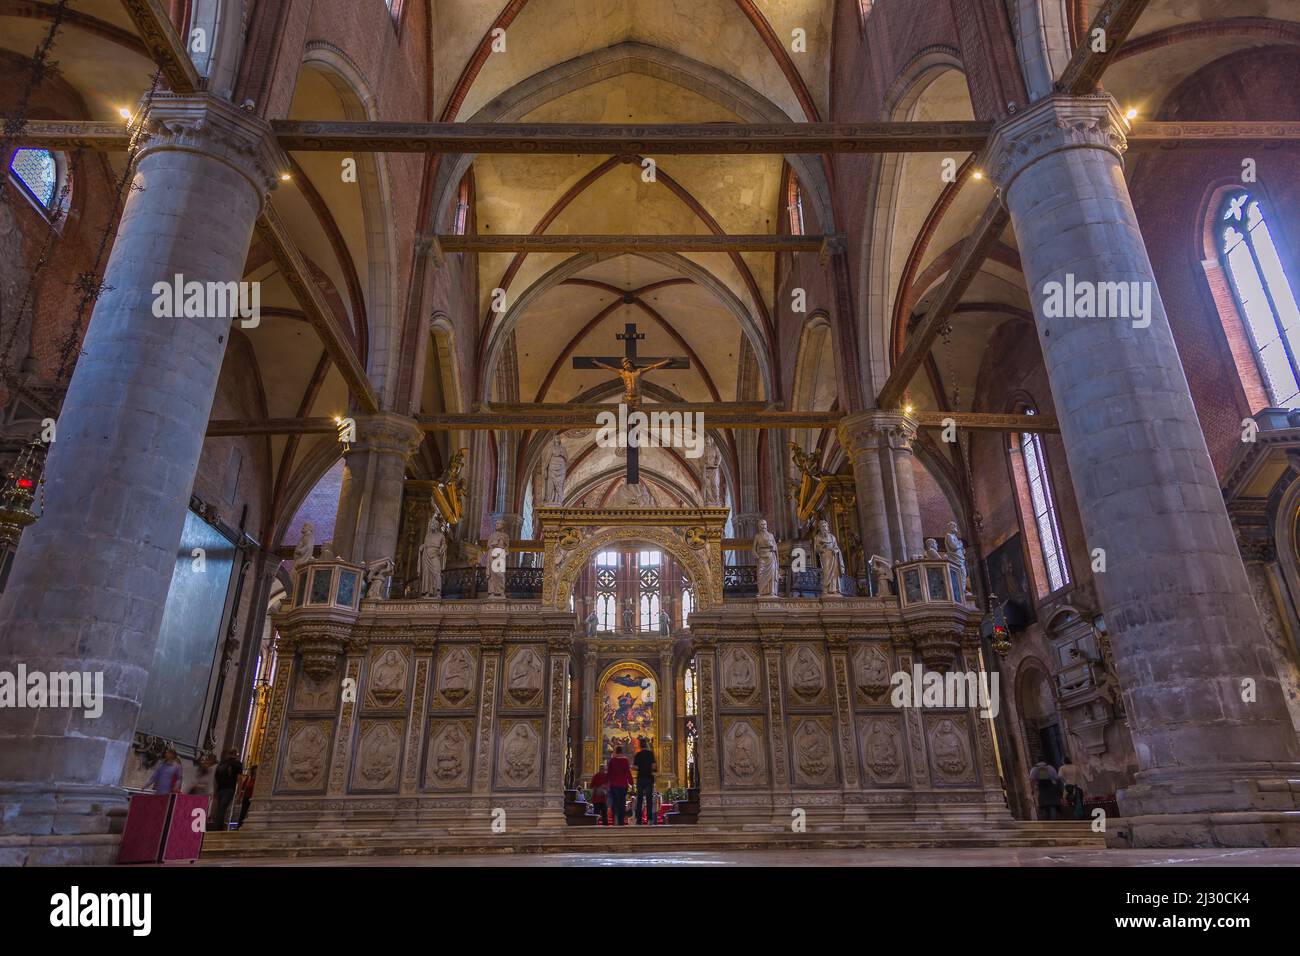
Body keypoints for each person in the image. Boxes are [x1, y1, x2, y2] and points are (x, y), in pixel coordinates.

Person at [213, 749, 243, 831]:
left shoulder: (221, 764)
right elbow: (239, 779)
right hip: (229, 789)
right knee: (223, 809)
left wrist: (215, 791)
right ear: (236, 754)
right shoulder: (237, 764)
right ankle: (218, 828)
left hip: (220, 789)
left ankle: (218, 826)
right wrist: (239, 792)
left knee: (220, 808)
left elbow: (215, 779)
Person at [633, 736, 658, 825]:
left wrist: (639, 768)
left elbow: (635, 767)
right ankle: (649, 819)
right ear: (646, 744)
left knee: (639, 800)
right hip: (648, 778)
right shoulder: (650, 754)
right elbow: (654, 766)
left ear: (640, 745)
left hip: (640, 778)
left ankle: (639, 820)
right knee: (649, 799)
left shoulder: (638, 754)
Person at [606, 745, 632, 826]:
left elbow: (609, 774)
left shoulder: (612, 761)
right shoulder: (625, 761)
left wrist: (607, 784)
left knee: (614, 803)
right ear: (622, 751)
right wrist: (631, 782)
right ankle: (621, 821)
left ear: (615, 751)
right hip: (623, 785)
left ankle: (615, 819)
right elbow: (628, 772)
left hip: (613, 785)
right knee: (622, 803)